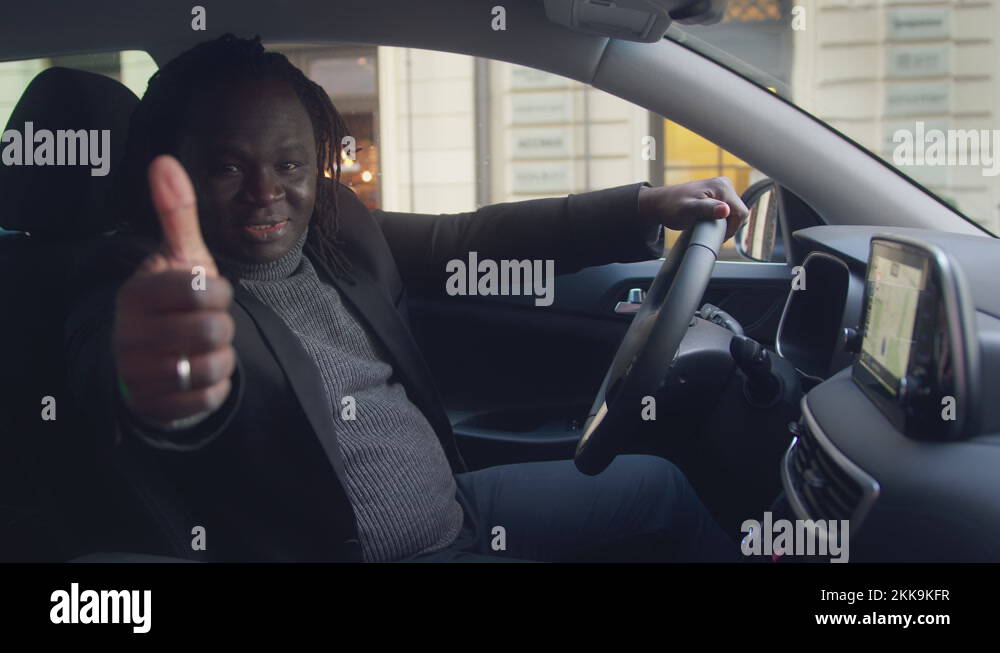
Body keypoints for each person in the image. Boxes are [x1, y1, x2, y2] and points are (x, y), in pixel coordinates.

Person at [66, 35, 747, 562]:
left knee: (660, 486)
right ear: (178, 169)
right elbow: (126, 370)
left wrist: (648, 205)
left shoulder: (332, 222)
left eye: (290, 163)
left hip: (459, 505)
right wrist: (156, 386)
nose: (266, 190)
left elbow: (466, 240)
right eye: (226, 166)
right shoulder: (144, 283)